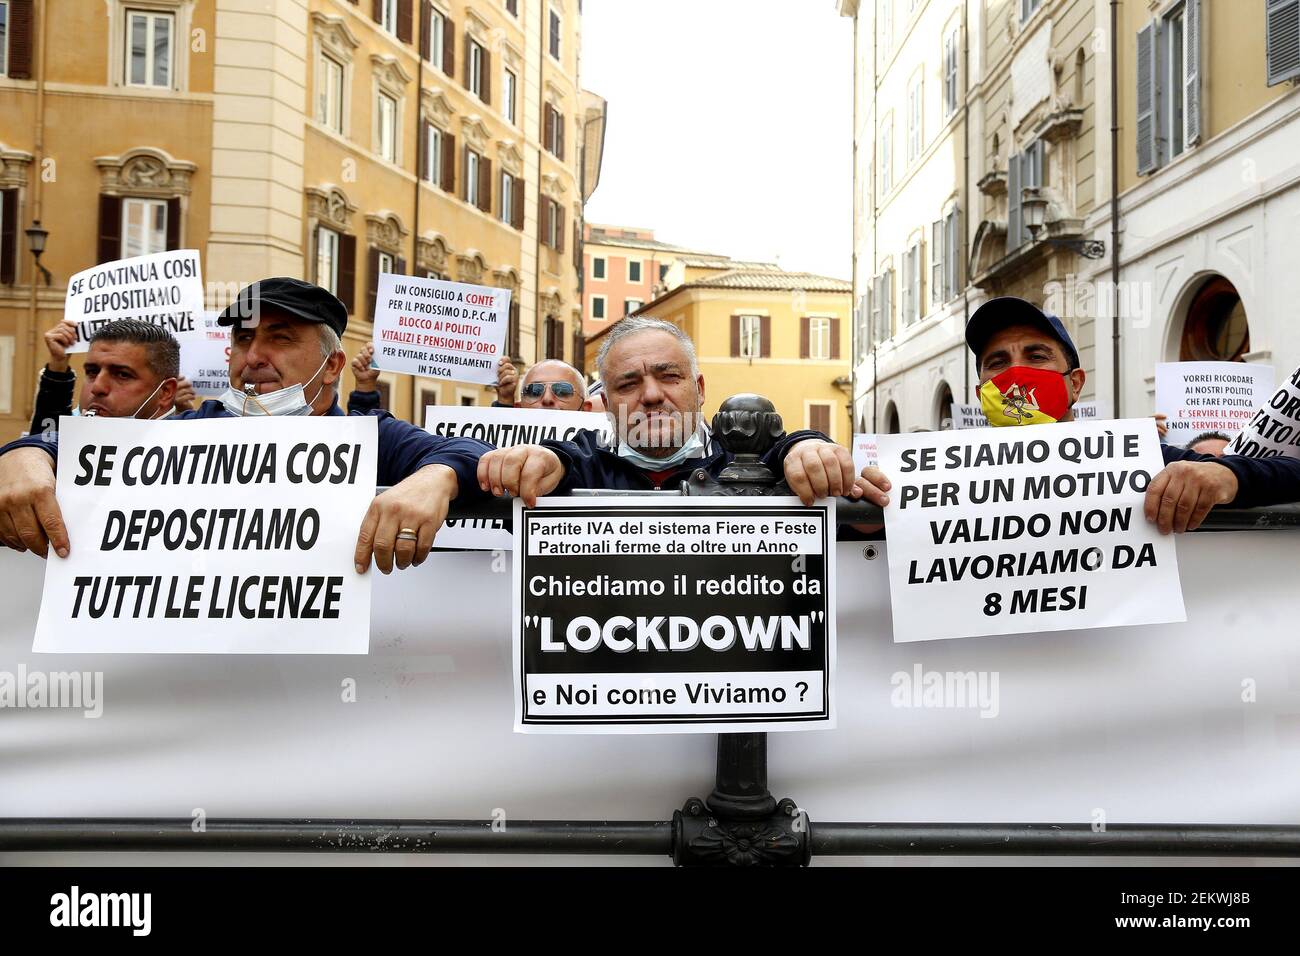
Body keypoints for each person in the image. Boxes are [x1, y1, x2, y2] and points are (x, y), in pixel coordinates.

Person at [0, 278, 492, 574]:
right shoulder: (187, 432)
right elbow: (71, 449)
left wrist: (437, 477)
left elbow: (471, 457)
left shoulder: (370, 438)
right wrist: (24, 456)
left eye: (279, 339)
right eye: (244, 339)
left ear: (334, 364)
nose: (254, 357)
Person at [855, 296, 1300, 534]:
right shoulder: (918, 478)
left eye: (1036, 355)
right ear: (981, 391)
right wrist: (861, 508)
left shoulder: (1136, 459)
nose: (1017, 373)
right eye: (997, 362)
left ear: (1075, 382)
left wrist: (1228, 477)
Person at [475, 316, 863, 505]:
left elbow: (782, 451)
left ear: (699, 389)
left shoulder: (749, 459)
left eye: (669, 377)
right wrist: (539, 461)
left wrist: (808, 448)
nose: (650, 395)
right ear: (606, 405)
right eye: (628, 384)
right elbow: (561, 460)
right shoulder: (581, 462)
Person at [27, 319, 190, 435]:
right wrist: (57, 368)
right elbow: (43, 443)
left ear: (165, 392)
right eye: (92, 372)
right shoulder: (65, 451)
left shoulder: (189, 464)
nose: (97, 387)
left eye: (122, 375)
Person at [492, 356, 590, 411]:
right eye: (534, 391)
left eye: (562, 391)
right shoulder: (506, 447)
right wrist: (504, 402)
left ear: (586, 409)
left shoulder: (599, 445)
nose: (547, 399)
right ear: (519, 408)